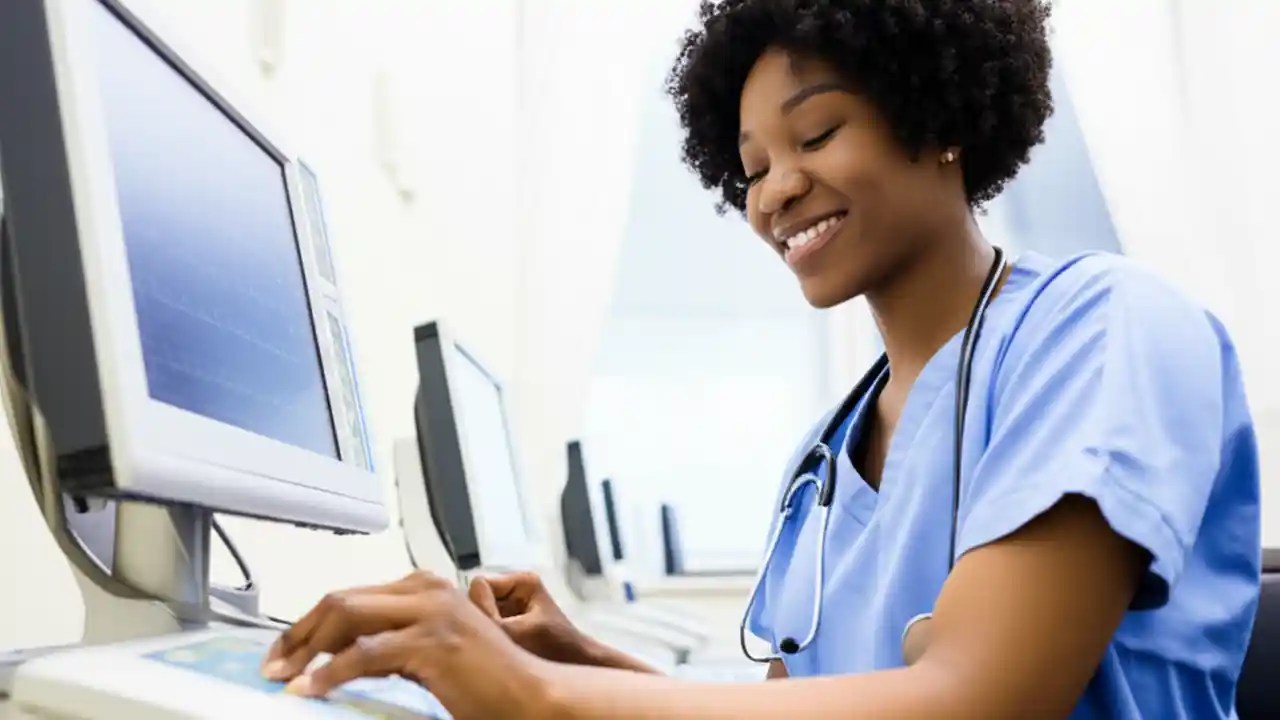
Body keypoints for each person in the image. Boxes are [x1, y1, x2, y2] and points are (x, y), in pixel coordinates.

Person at [262, 0, 1261, 717]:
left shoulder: (1107, 329)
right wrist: (583, 659)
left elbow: (974, 697)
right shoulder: (825, 457)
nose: (775, 192)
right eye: (747, 171)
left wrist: (535, 695)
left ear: (943, 116)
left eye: (815, 133)